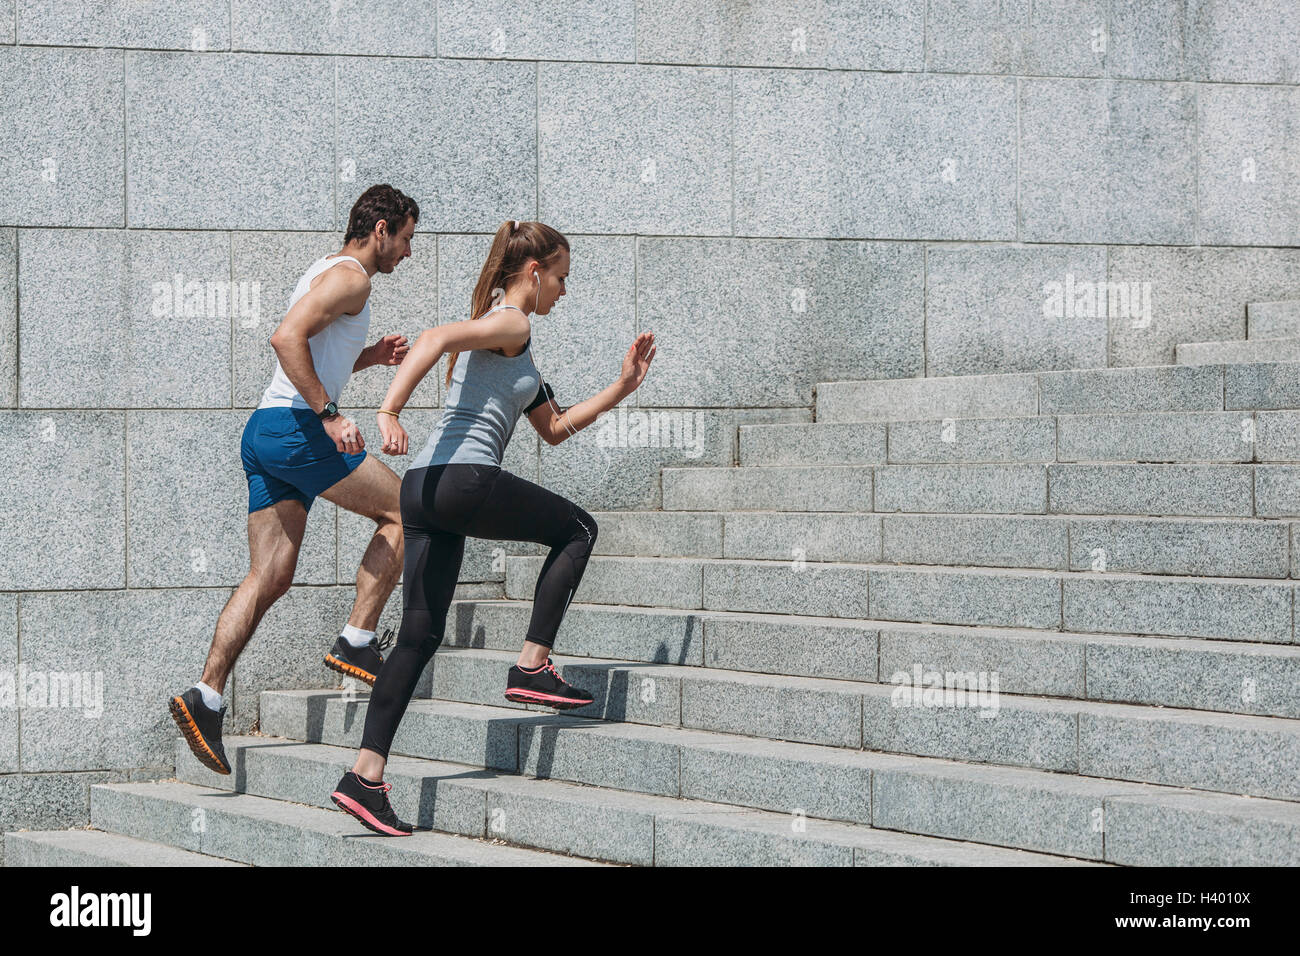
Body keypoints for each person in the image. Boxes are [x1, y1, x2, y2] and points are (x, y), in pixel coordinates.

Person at [329, 218, 656, 835]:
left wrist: (622, 386)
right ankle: (532, 665)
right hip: (462, 479)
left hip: (423, 491)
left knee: (417, 639)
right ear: (534, 272)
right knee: (578, 530)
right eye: (561, 278)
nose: (564, 290)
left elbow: (554, 429)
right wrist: (388, 408)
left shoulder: (517, 347)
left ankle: (363, 777)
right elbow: (433, 336)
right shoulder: (513, 321)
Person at [168, 184, 420, 776]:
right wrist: (331, 416)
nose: (408, 253)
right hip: (296, 428)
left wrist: (368, 357)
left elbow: (310, 345)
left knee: (270, 574)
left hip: (267, 431)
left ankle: (205, 696)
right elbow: (284, 338)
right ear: (380, 229)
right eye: (406, 239)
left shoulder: (326, 269)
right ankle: (357, 637)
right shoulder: (354, 277)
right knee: (407, 509)